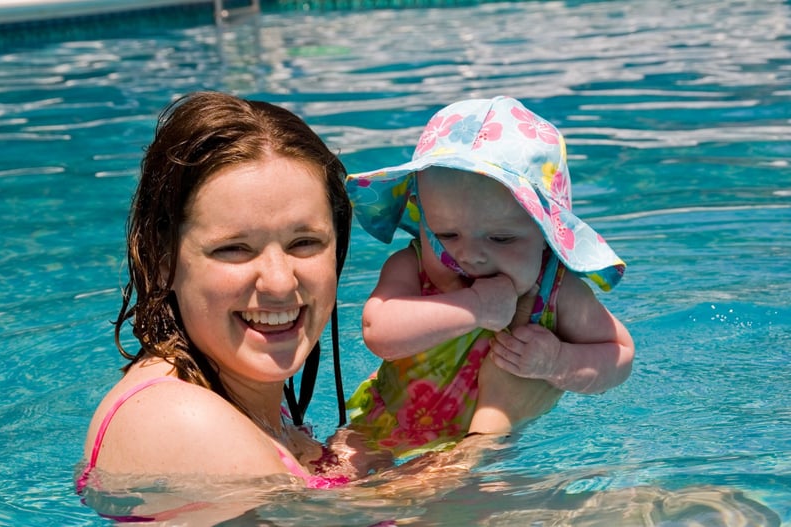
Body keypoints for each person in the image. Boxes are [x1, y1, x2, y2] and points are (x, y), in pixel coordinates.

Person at [77, 92, 392, 521]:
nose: (280, 282)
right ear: (164, 261)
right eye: (234, 249)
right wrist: (485, 435)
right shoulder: (184, 420)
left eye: (305, 242)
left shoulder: (234, 394)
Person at [345, 96, 635, 457]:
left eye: (501, 238)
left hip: (490, 447)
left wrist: (558, 361)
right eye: (446, 234)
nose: (469, 255)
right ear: (423, 219)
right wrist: (474, 306)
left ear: (547, 236)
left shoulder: (556, 292)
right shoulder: (413, 267)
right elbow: (379, 332)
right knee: (333, 479)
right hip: (381, 420)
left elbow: (619, 355)